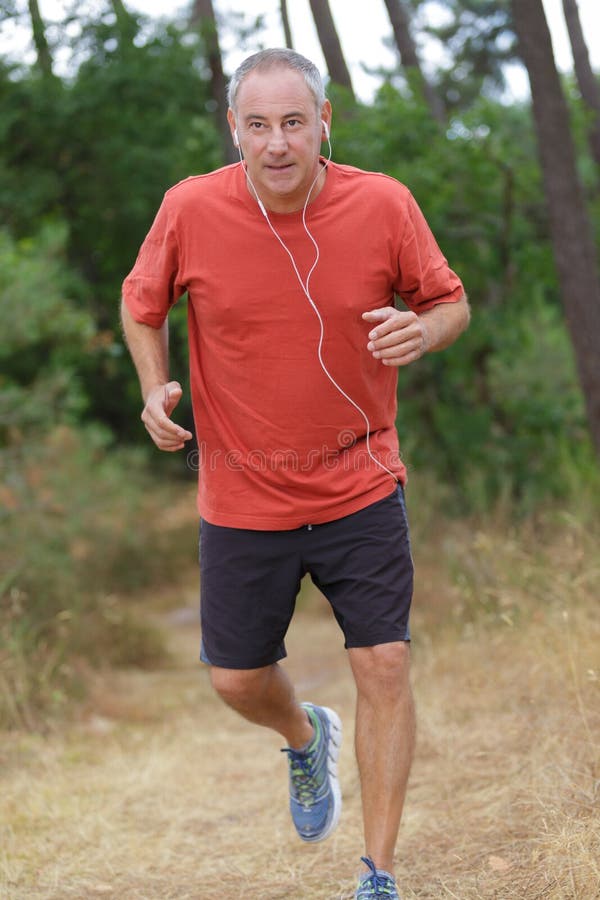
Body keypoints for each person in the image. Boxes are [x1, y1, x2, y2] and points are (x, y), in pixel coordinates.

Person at [121, 48, 469, 899]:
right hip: (243, 491)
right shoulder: (191, 207)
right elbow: (141, 302)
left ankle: (378, 874)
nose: (277, 143)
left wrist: (422, 334)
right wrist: (153, 386)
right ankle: (306, 738)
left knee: (384, 664)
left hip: (361, 479)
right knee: (236, 678)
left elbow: (448, 300)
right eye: (257, 124)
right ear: (233, 130)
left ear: (323, 125)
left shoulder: (383, 203)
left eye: (293, 122)